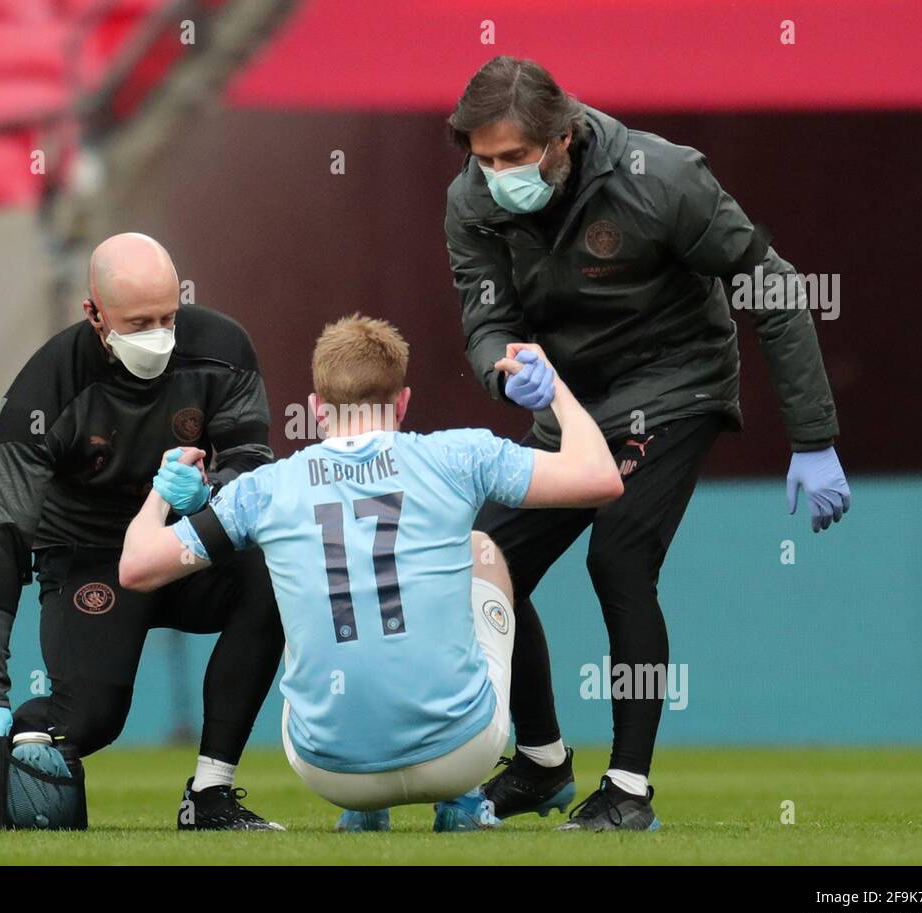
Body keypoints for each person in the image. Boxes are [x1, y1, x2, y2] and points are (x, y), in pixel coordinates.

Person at [444, 56, 852, 831]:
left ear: (561, 138)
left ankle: (628, 790)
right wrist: (504, 368)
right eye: (482, 158)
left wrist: (814, 435)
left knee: (618, 558)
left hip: (677, 383)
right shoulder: (471, 201)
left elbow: (773, 285)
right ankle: (541, 763)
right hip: (569, 404)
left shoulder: (662, 178)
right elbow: (485, 318)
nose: (495, 175)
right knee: (483, 563)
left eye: (512, 157)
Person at [118, 315, 621, 831]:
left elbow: (136, 568)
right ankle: (478, 790)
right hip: (460, 753)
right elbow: (601, 478)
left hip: (330, 769)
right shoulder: (457, 455)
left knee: (296, 568)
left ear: (317, 410)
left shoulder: (266, 489)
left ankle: (365, 806)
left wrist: (162, 490)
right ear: (402, 402)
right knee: (483, 549)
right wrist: (554, 389)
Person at [0, 232, 285, 831]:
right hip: (88, 556)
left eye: (167, 316)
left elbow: (253, 468)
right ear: (94, 316)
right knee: (93, 718)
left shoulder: (224, 349)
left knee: (270, 579)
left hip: (185, 544)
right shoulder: (42, 393)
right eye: (138, 322)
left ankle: (210, 795)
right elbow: (2, 544)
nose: (158, 334)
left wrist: (209, 492)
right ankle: (1, 738)